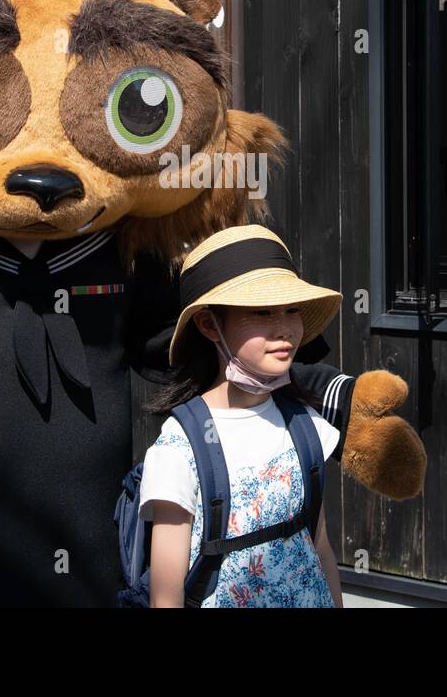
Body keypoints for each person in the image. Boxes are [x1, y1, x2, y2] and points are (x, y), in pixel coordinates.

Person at [137, 224, 346, 607]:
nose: (284, 328)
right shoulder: (180, 448)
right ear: (209, 325)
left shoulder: (305, 426)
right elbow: (165, 597)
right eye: (262, 312)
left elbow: (319, 547)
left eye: (291, 310)